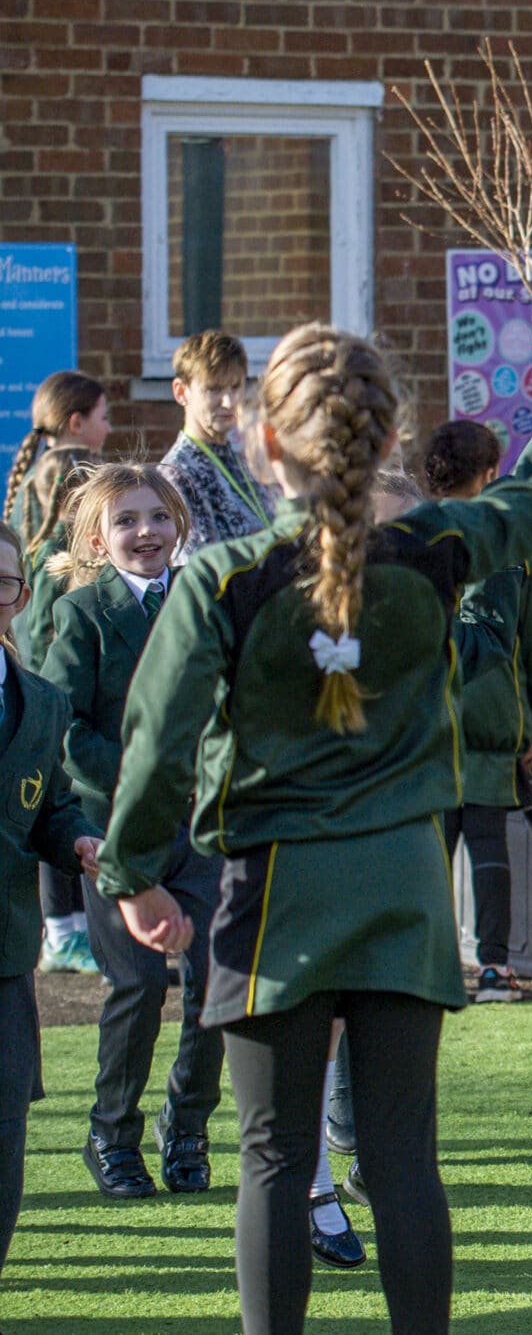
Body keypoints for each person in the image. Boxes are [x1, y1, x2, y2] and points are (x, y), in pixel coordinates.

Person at [95, 323, 532, 1335]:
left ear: (265, 445)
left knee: (277, 1155)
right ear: (387, 442)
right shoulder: (437, 549)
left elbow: (157, 737)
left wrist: (135, 873)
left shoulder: (224, 578)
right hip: (407, 881)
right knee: (403, 1154)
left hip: (273, 883)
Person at [38, 466, 223, 1208]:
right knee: (140, 986)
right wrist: (141, 777)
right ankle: (111, 1134)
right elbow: (61, 725)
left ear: (179, 523)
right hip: (117, 831)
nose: (144, 532)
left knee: (217, 982)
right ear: (97, 537)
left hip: (204, 828)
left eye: (157, 516)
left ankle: (188, 1128)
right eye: (125, 521)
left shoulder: (209, 604)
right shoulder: (84, 614)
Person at [421, 364, 532, 1006]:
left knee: (436, 846)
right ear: (489, 473)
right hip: (493, 719)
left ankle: (430, 962)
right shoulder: (501, 540)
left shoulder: (417, 533)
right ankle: (494, 967)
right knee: (490, 846)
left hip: (431, 720)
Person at [0, 519, 103, 1276]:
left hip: (5, 955)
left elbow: (50, 806)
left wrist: (78, 841)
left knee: (5, 1132)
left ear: (20, 595)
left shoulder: (40, 703)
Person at [15, 446, 101, 976]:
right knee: (42, 799)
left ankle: (67, 929)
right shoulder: (51, 557)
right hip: (51, 695)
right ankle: (62, 932)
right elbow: (49, 633)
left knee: (50, 802)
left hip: (48, 696)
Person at [159, 329, 271, 561]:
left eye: (235, 387)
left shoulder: (245, 457)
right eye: (214, 389)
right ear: (181, 392)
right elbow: (200, 566)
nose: (229, 402)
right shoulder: (177, 473)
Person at [6, 370, 111, 535]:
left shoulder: (41, 475)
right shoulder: (57, 480)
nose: (108, 429)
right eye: (104, 418)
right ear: (76, 423)